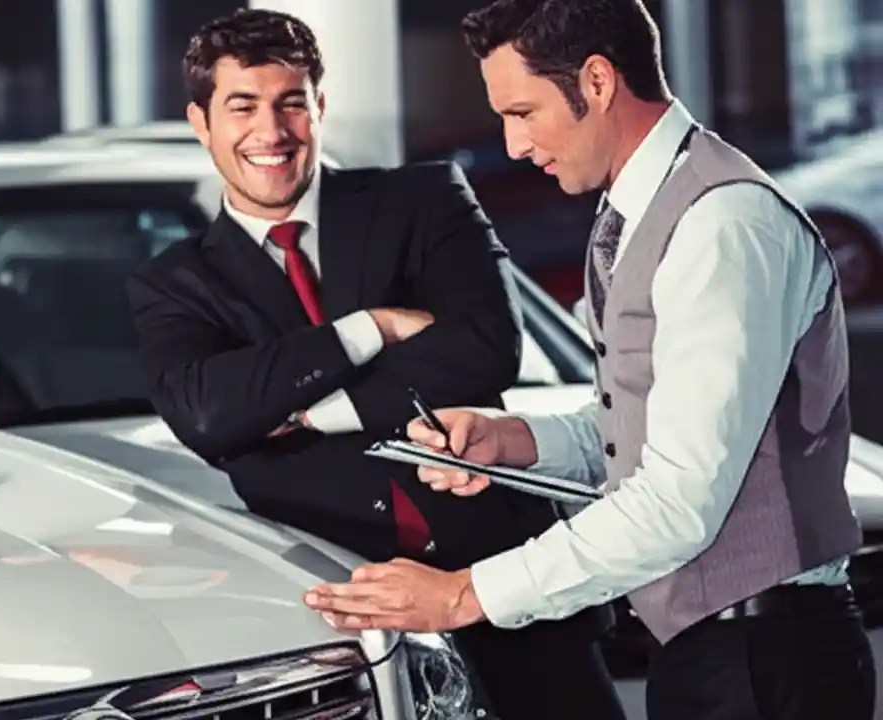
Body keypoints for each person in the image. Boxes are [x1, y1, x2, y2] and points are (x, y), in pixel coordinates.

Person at [303, 1, 877, 718]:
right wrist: (517, 440)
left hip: (765, 660)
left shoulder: (721, 226)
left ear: (598, 81)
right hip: (717, 652)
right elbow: (646, 422)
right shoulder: (644, 210)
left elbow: (676, 501)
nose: (512, 145)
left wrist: (463, 594)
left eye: (523, 111)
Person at [128, 8, 626, 720]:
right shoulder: (174, 284)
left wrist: (296, 411)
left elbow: (487, 350)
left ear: (319, 107)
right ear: (201, 122)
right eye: (242, 107)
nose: (271, 132)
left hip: (508, 591)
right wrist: (373, 327)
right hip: (342, 623)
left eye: (291, 104)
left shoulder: (422, 201)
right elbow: (209, 415)